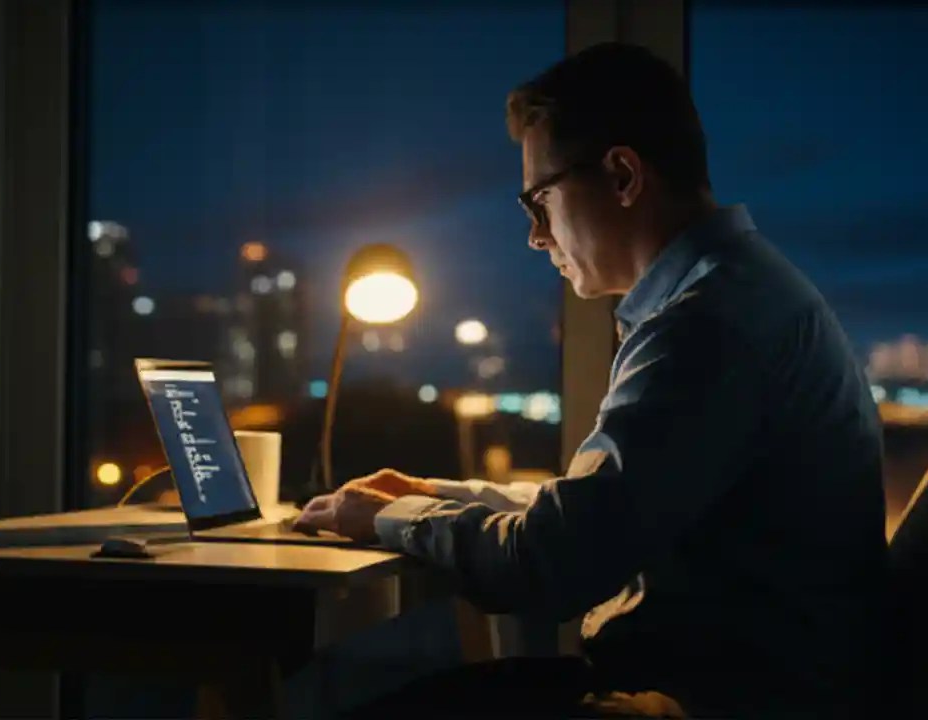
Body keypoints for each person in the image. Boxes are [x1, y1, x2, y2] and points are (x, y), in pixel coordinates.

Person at [295, 42, 888, 719]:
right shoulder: (734, 294)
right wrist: (435, 494)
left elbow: (554, 563)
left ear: (622, 177)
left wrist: (390, 517)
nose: (536, 236)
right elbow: (601, 512)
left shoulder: (708, 325)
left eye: (539, 201)